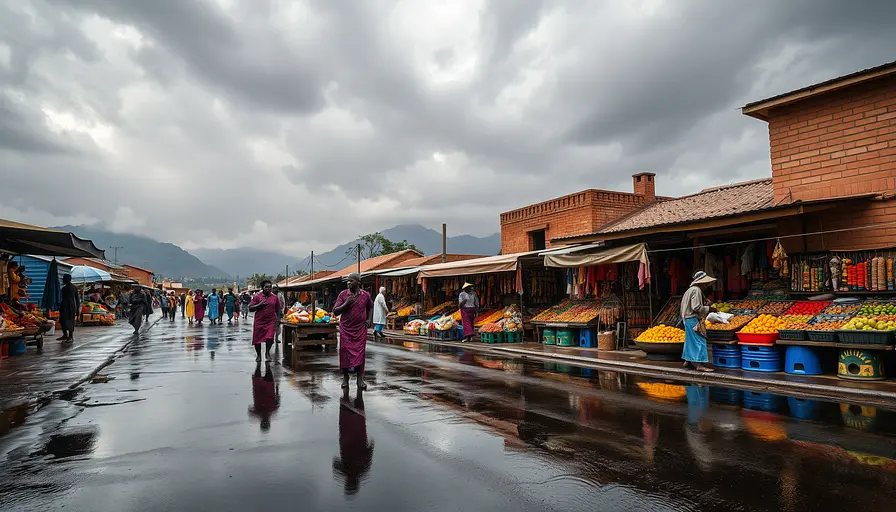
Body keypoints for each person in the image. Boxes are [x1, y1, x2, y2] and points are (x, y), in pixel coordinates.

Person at [333, 273, 373, 390]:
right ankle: (345, 378)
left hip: (360, 329)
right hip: (346, 329)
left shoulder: (365, 295)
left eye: (351, 281)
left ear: (358, 282)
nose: (348, 283)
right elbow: (335, 311)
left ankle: (360, 378)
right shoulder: (343, 295)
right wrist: (346, 304)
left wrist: (369, 319)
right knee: (345, 354)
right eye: (347, 281)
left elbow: (370, 306)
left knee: (360, 354)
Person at [681, 271, 718, 373]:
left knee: (690, 341)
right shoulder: (696, 290)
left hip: (687, 319)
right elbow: (696, 307)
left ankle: (688, 360)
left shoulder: (690, 290)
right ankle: (699, 364)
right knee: (699, 341)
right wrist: (710, 309)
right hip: (692, 318)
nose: (707, 285)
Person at [248, 280, 282, 362]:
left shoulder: (275, 297)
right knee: (257, 339)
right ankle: (259, 355)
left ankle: (267, 353)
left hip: (271, 320)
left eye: (270, 287)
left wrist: (278, 319)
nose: (268, 288)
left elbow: (278, 309)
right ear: (262, 288)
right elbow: (250, 308)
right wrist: (259, 305)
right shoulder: (257, 297)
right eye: (266, 287)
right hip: (259, 321)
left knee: (270, 337)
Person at [57, 274, 80, 343]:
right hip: (66, 306)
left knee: (69, 322)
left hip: (70, 307)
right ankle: (65, 335)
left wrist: (77, 309)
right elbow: (77, 299)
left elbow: (76, 299)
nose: (63, 280)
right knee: (62, 320)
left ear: (67, 280)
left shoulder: (69, 288)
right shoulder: (67, 288)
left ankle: (70, 337)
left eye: (64, 279)